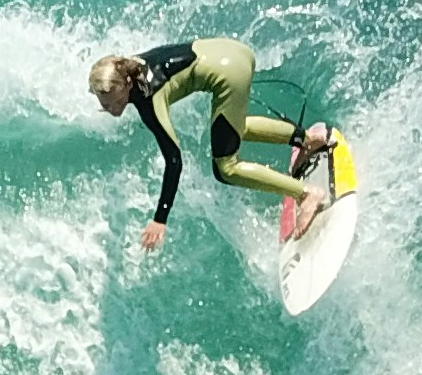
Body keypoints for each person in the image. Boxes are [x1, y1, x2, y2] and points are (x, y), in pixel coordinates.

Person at [89, 35, 328, 254]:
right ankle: (306, 140)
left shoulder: (148, 99)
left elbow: (174, 160)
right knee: (232, 128)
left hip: (229, 74)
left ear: (127, 86)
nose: (110, 110)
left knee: (226, 168)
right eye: (104, 104)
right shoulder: (130, 66)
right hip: (234, 52)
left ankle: (306, 194)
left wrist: (160, 218)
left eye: (113, 103)